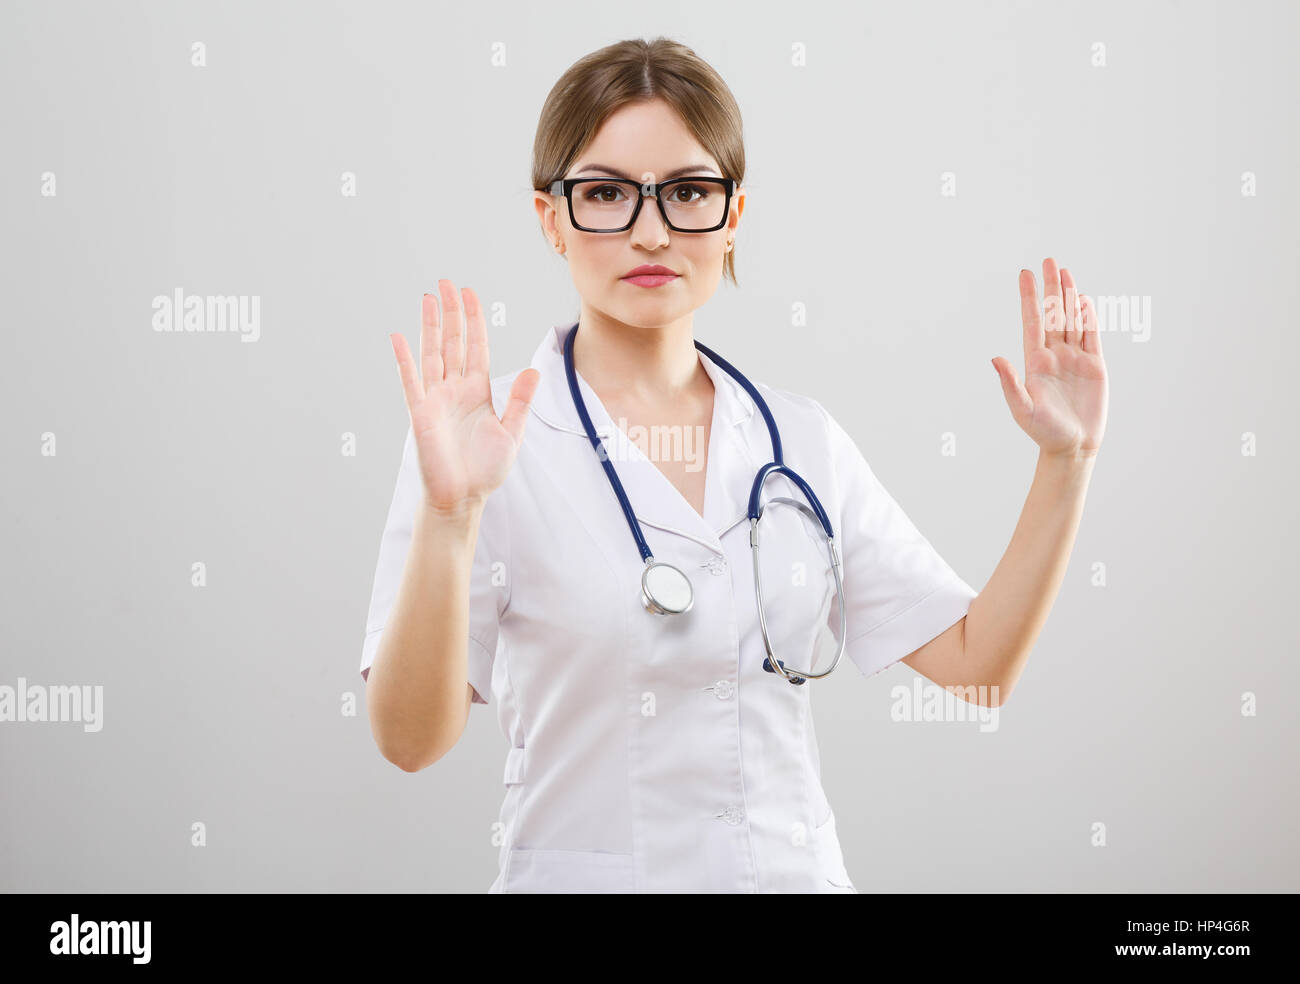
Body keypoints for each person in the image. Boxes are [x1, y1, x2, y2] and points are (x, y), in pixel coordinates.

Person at [359, 37, 1108, 893]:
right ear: (551, 217)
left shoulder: (800, 442)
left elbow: (977, 670)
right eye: (605, 193)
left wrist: (1067, 459)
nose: (651, 231)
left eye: (687, 193)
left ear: (733, 217)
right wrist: (451, 519)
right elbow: (409, 742)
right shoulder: (479, 443)